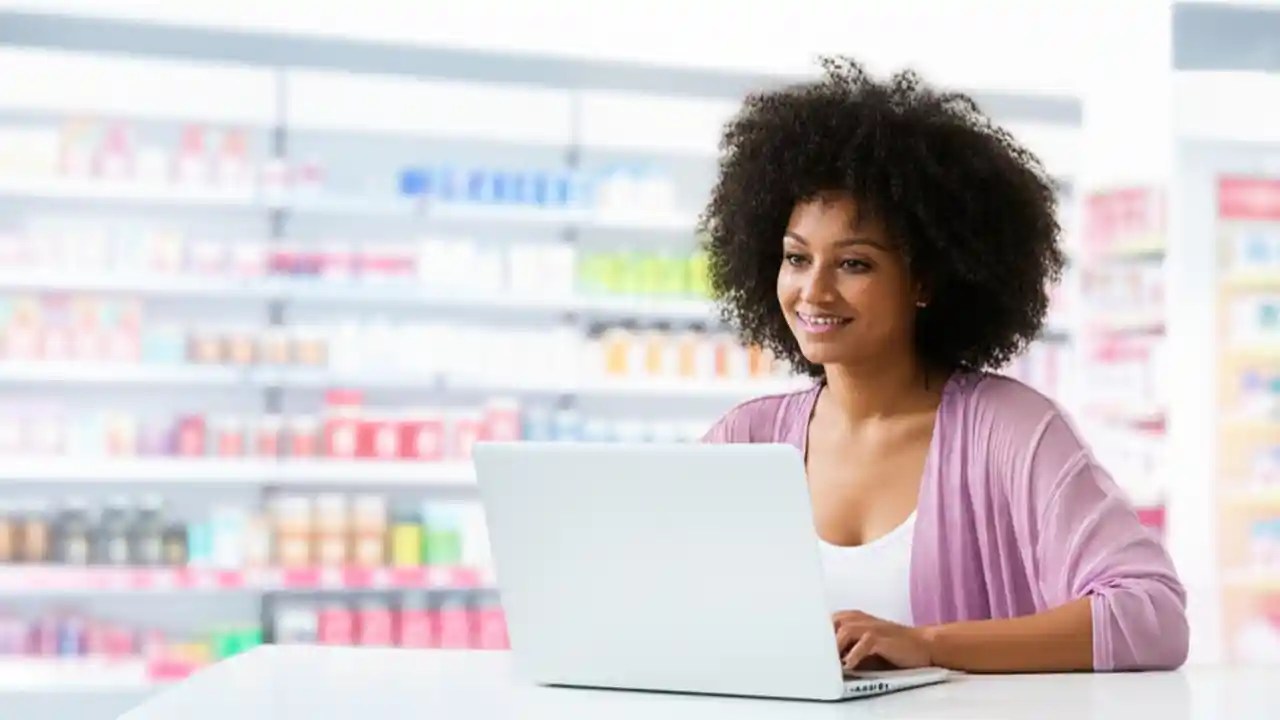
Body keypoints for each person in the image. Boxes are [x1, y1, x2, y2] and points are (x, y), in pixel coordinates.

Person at [699, 57, 1187, 673]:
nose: (813, 291)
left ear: (924, 280)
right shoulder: (743, 440)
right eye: (797, 259)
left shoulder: (1009, 432)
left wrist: (928, 646)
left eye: (854, 264)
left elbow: (1154, 616)